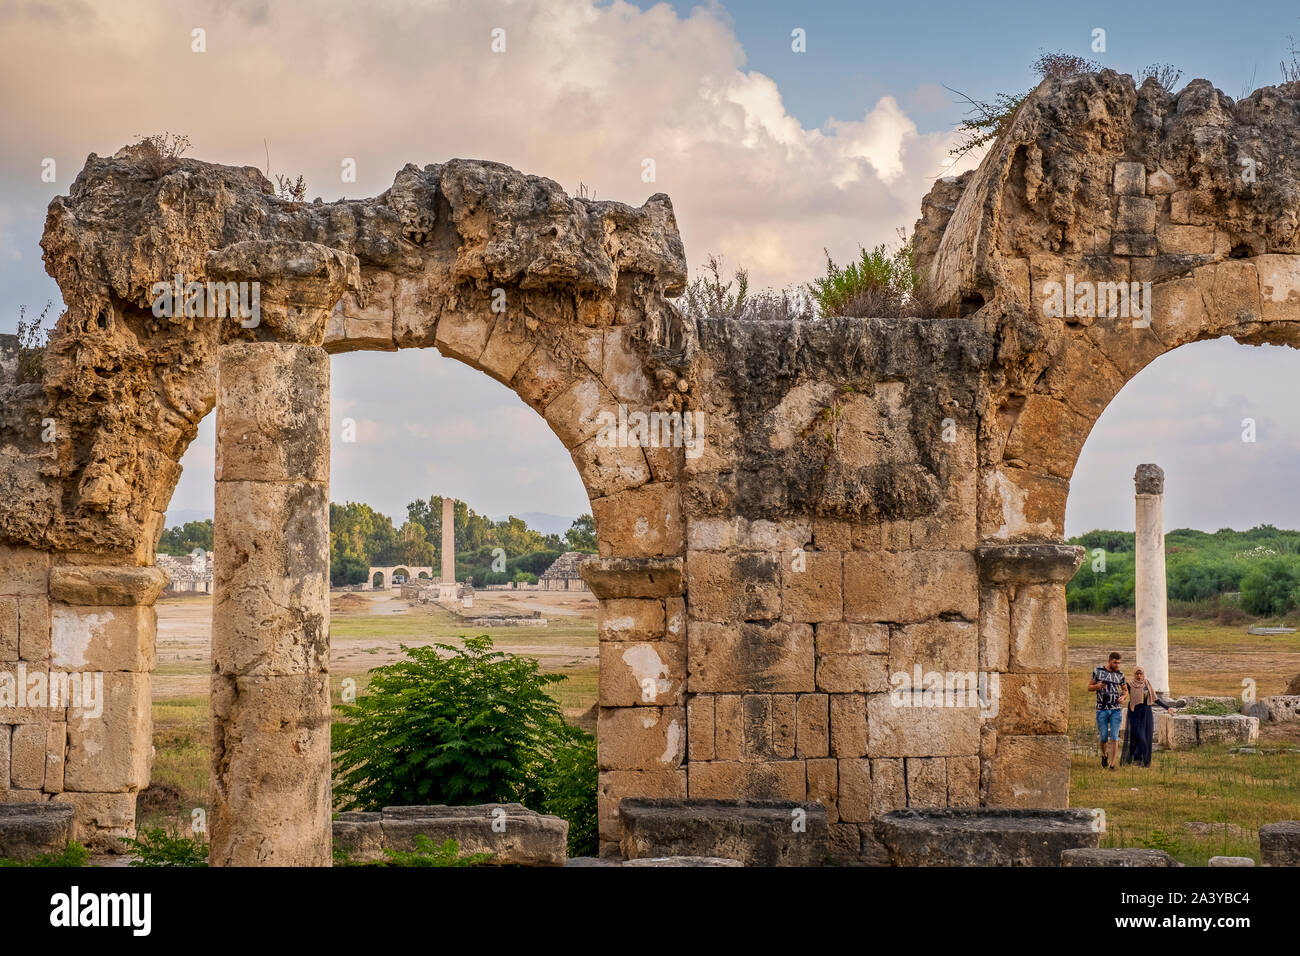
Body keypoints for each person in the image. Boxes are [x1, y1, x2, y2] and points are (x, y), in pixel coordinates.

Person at [1120, 666, 1172, 767]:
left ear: (1143, 674)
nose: (1139, 676)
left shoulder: (1146, 683)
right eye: (1137, 674)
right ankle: (1136, 758)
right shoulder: (1129, 685)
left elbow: (1154, 698)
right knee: (1138, 736)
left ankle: (1145, 761)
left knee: (1146, 737)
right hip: (1134, 712)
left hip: (1146, 712)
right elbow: (1123, 694)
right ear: (1134, 674)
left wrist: (1167, 708)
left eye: (1141, 674)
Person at [1088, 652, 1127, 769]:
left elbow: (1125, 690)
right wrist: (1097, 686)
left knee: (1115, 737)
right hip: (1101, 710)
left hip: (1115, 710)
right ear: (1109, 661)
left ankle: (1112, 763)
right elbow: (1089, 687)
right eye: (1115, 662)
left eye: (1119, 663)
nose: (1117, 665)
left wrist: (1123, 697)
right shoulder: (1098, 671)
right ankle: (1104, 755)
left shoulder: (1120, 674)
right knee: (1104, 737)